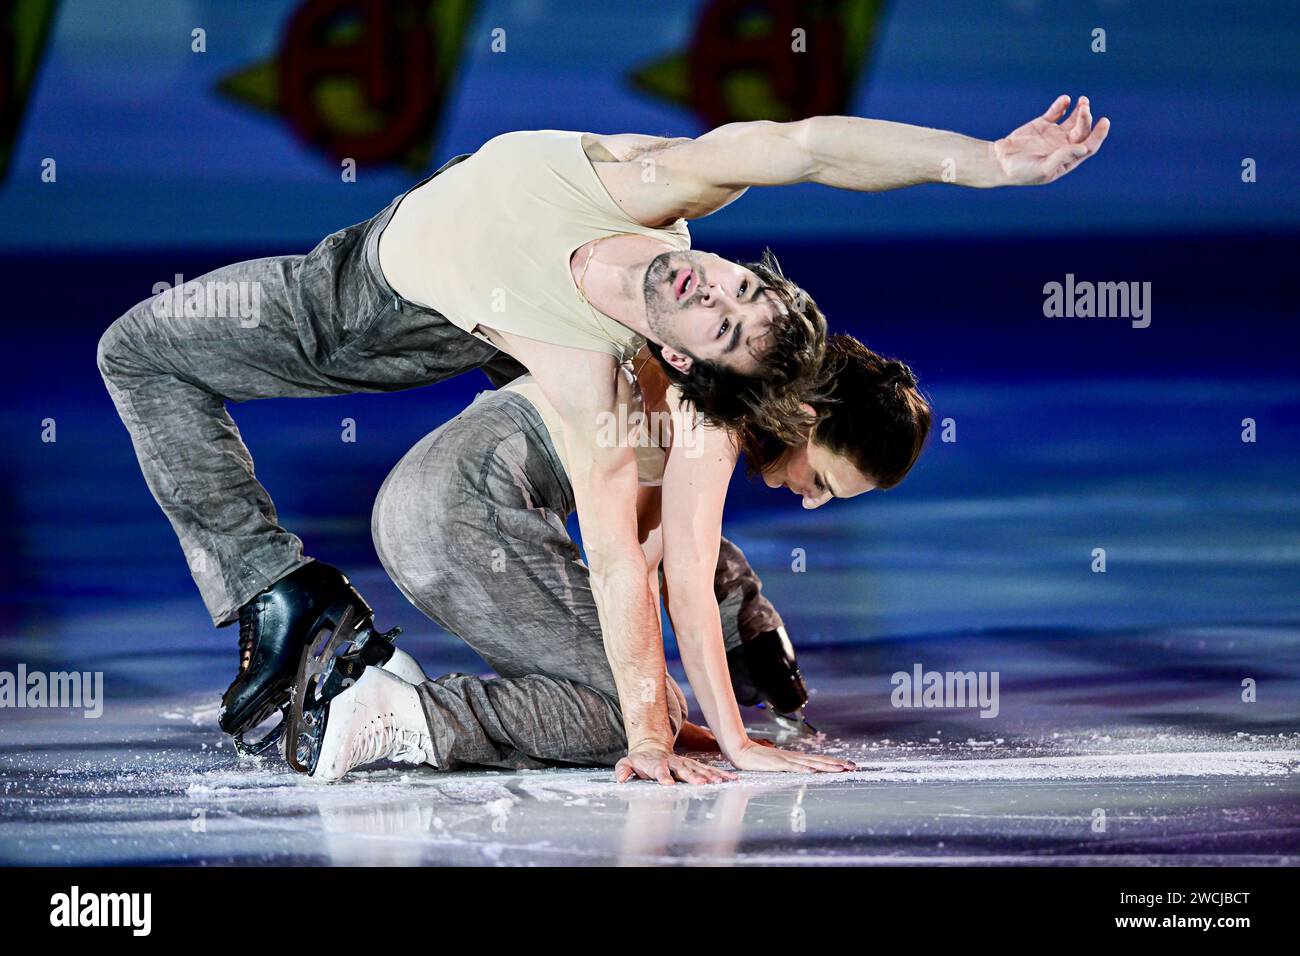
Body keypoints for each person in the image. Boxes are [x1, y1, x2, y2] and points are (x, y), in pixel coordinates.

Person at [97, 97, 1106, 771]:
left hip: (436, 324)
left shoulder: (596, 377)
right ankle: (280, 590)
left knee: (654, 500)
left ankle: (664, 643)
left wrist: (651, 726)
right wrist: (983, 163)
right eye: (739, 285)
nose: (707, 285)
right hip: (355, 278)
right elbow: (806, 147)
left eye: (717, 322)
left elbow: (625, 563)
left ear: (692, 360)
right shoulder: (658, 183)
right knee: (138, 349)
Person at [287, 334, 931, 783]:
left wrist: (670, 718)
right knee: (630, 716)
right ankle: (403, 715)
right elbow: (688, 589)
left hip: (421, 503)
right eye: (822, 482)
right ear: (810, 421)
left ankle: (386, 685)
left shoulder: (712, 374)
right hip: (463, 508)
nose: (812, 504)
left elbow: (643, 570)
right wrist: (735, 743)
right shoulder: (717, 413)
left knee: (645, 705)